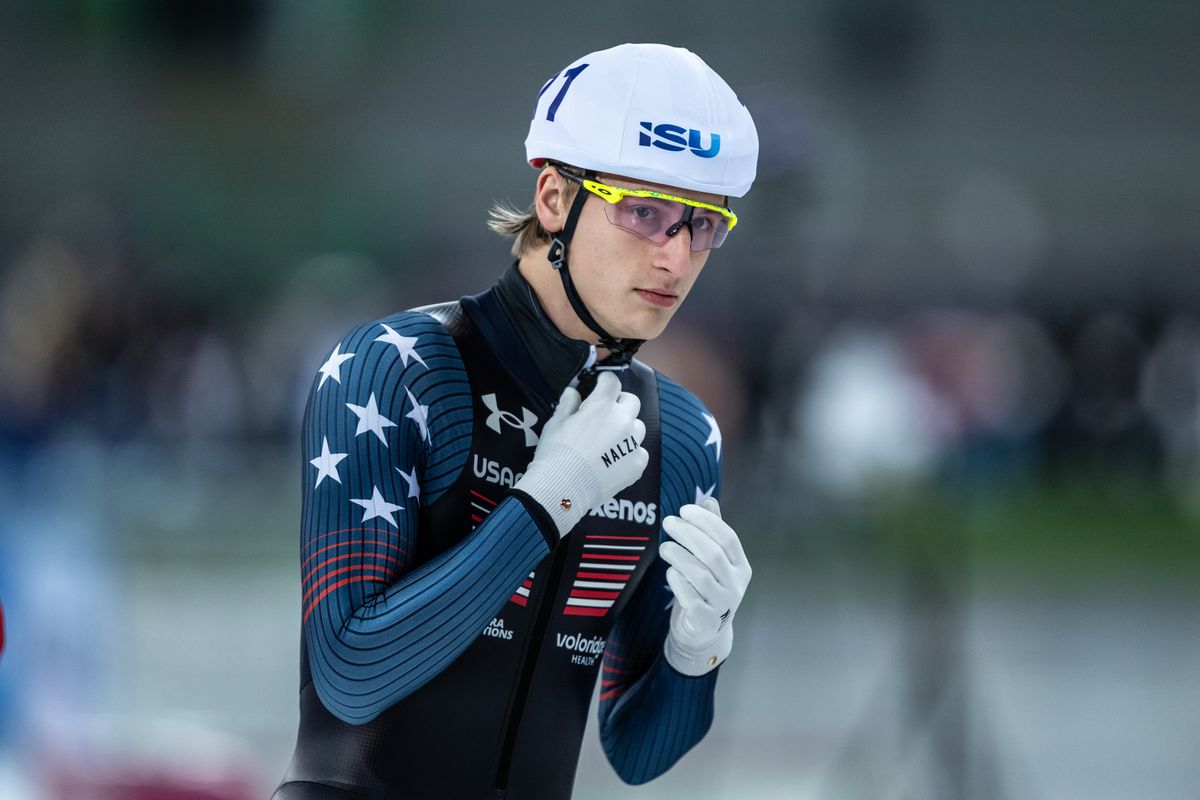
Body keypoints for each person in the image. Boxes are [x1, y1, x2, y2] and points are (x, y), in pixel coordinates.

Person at [274, 43, 756, 800]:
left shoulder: (680, 437)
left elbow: (636, 751)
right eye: (646, 213)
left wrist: (695, 651)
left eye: (704, 225)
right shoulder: (398, 370)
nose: (676, 258)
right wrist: (545, 503)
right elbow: (349, 675)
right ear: (555, 198)